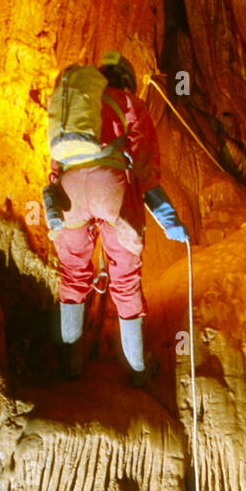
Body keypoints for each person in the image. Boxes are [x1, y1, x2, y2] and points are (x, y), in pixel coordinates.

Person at [42, 51, 187, 383]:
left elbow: (55, 164)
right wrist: (169, 220)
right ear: (127, 80)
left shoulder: (77, 110)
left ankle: (70, 362)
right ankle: (138, 366)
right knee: (124, 281)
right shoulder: (130, 104)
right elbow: (147, 172)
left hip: (69, 189)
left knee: (73, 274)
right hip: (112, 187)